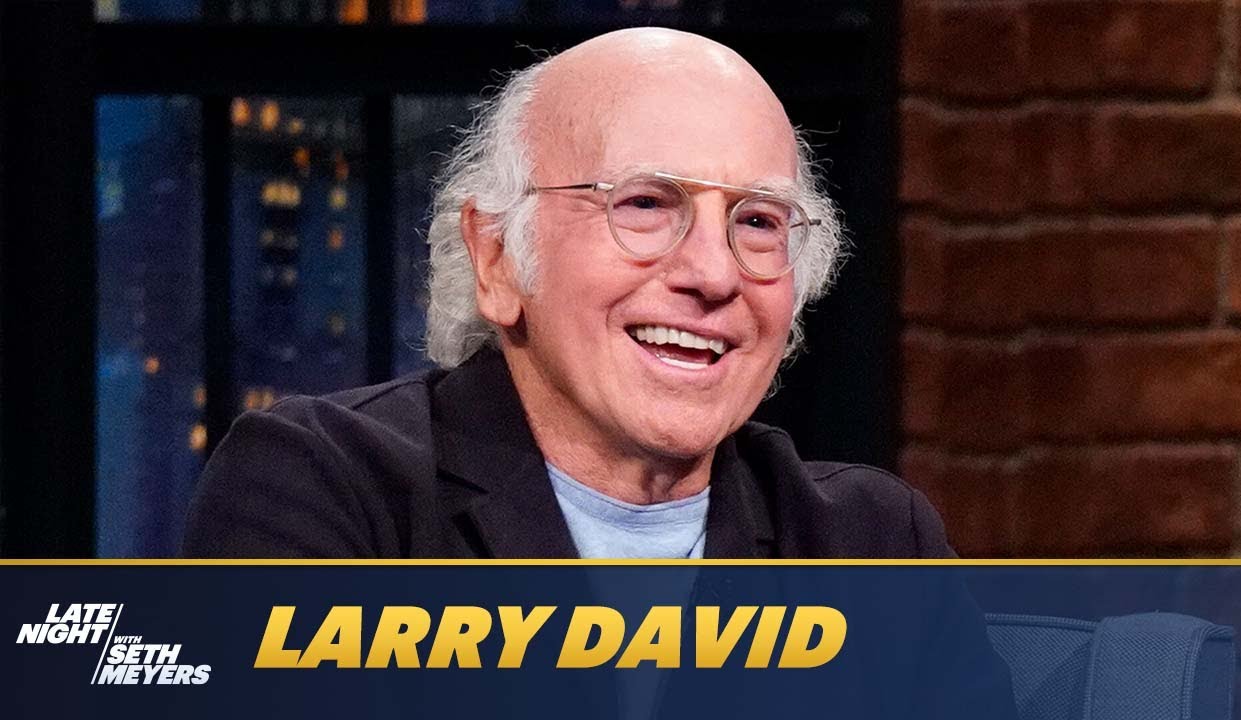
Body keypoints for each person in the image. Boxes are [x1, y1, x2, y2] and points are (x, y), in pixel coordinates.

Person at [184, 28, 949, 561]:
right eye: (645, 204)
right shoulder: (324, 490)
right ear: (496, 258)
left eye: (757, 221)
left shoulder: (874, 542)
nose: (714, 275)